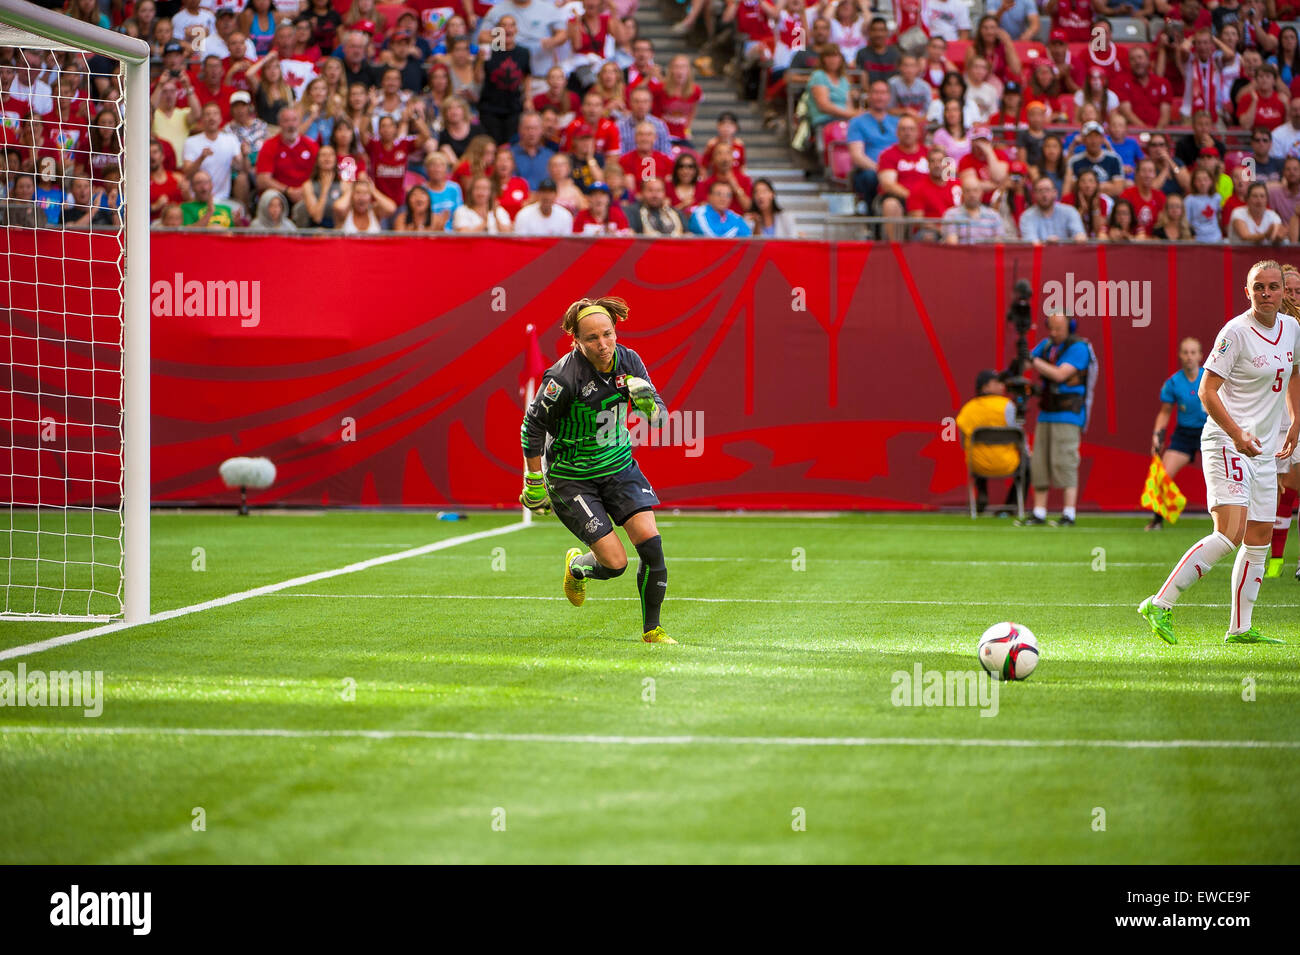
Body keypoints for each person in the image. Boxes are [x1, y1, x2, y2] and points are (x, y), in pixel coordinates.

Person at [1139, 260, 1300, 645]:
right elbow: (1206, 392)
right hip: (1227, 441)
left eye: (1273, 287)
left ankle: (1240, 628)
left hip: (1263, 448)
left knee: (1259, 536)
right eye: (1258, 287)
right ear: (1247, 292)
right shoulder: (1235, 333)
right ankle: (1160, 602)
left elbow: (1293, 373)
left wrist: (1294, 420)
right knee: (1230, 533)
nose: (1266, 293)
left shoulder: (1292, 328)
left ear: (1282, 292)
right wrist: (1237, 433)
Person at [519, 296, 676, 644]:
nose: (602, 344)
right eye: (592, 338)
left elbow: (661, 418)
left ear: (615, 332)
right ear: (576, 340)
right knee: (615, 564)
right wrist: (533, 481)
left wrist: (649, 404)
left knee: (651, 545)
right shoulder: (563, 378)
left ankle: (653, 630)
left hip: (619, 467)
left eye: (608, 334)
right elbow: (532, 427)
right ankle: (577, 567)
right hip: (572, 478)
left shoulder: (630, 360)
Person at [1020, 312, 1095, 526]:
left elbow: (1060, 374)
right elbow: (1026, 365)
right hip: (1046, 412)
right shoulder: (1046, 346)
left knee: (1066, 462)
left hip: (1068, 414)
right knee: (1040, 462)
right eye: (1050, 328)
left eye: (1058, 329)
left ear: (1069, 326)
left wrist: (1033, 360)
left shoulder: (1079, 348)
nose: (1053, 333)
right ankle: (1039, 512)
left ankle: (1068, 514)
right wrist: (1023, 352)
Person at [1147, 338, 1207, 531]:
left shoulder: (1209, 377)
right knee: (1161, 476)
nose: (1189, 357)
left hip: (1210, 432)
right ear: (1180, 356)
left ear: (1200, 356)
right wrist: (1157, 435)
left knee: (1223, 477)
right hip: (1184, 435)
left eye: (1193, 352)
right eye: (1185, 352)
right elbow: (1164, 413)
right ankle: (1157, 520)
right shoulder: (1173, 382)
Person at [956, 369, 1021, 515]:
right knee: (1028, 466)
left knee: (977, 454)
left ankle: (981, 497)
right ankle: (1011, 506)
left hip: (978, 466)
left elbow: (963, 441)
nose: (1001, 385)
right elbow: (1019, 437)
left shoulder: (969, 408)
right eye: (997, 382)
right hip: (1008, 464)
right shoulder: (1008, 406)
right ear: (984, 387)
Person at [1018, 176, 1086, 242]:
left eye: (1047, 190)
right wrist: (1046, 244)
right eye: (1040, 190)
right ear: (1034, 194)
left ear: (1055, 193)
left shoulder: (1070, 211)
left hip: (1066, 252)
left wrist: (1079, 236)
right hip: (1041, 253)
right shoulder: (1027, 216)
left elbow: (1079, 234)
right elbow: (1030, 243)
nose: (1044, 195)